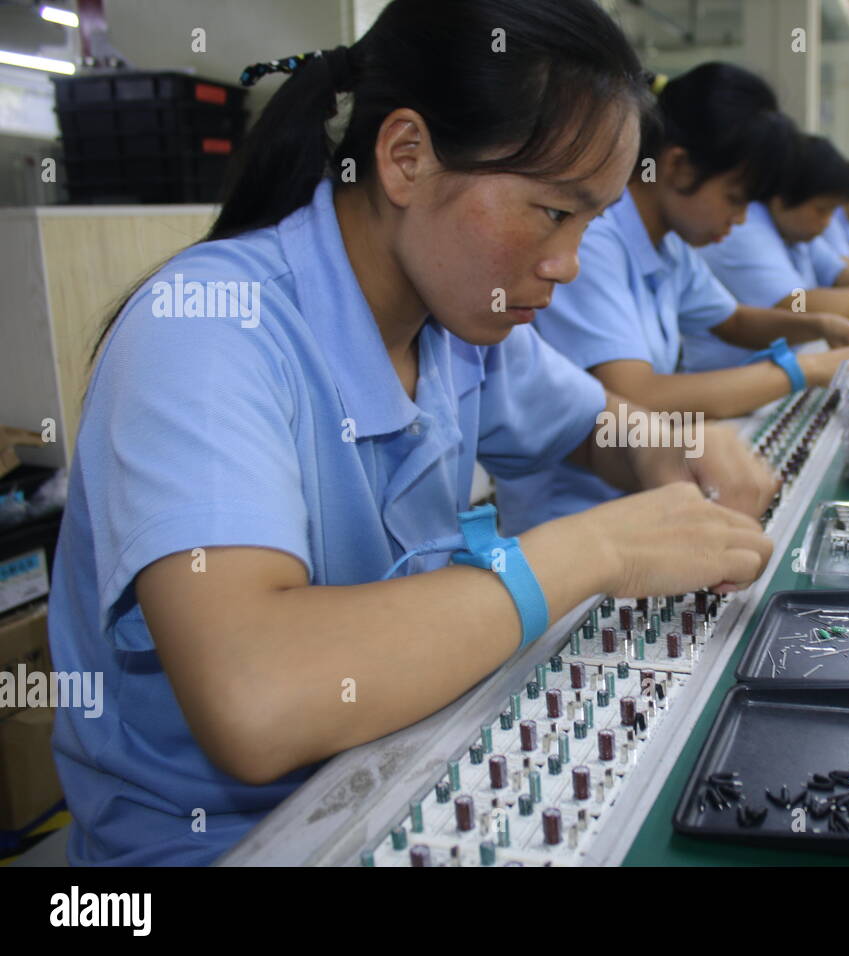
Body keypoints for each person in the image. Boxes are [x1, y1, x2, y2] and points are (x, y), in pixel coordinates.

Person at [48, 0, 777, 866]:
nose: (568, 263)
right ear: (406, 157)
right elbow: (258, 693)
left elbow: (600, 428)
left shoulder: (459, 328)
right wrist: (592, 552)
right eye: (552, 213)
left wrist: (688, 444)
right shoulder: (206, 333)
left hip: (402, 777)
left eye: (592, 222)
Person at [493, 63, 849, 534]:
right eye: (734, 198)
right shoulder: (594, 243)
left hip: (636, 493)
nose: (739, 220)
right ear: (675, 166)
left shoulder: (671, 243)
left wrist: (818, 327)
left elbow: (731, 319)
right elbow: (636, 395)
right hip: (570, 519)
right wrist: (803, 369)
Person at [682, 134, 849, 371]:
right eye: (821, 210)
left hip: (767, 374)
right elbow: (797, 304)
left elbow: (840, 273)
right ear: (781, 199)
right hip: (728, 379)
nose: (826, 223)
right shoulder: (741, 229)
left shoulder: (799, 234)